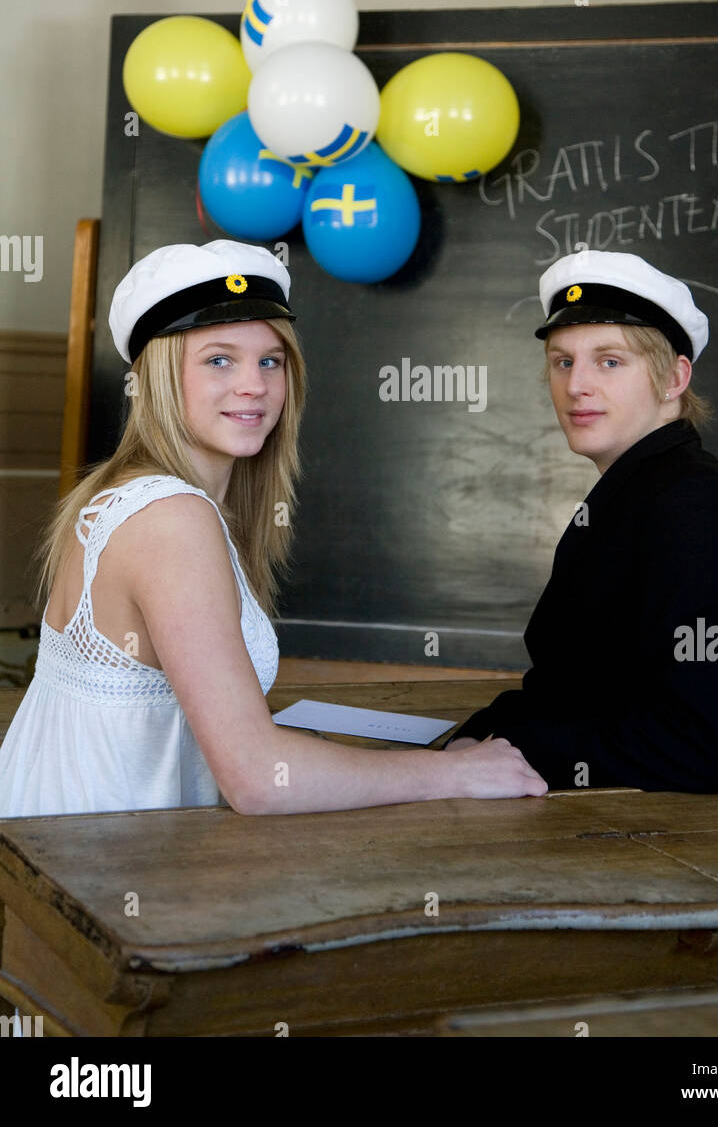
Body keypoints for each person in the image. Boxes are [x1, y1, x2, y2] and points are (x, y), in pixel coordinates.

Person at [0, 240, 547, 825]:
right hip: (89, 864)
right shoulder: (170, 517)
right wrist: (455, 773)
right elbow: (259, 781)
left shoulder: (138, 493)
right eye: (219, 359)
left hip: (91, 839)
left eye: (271, 360)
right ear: (158, 378)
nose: (254, 385)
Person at [444, 248, 718, 793]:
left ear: (674, 377)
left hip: (698, 851)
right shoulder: (629, 495)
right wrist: (478, 736)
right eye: (563, 361)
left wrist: (513, 751)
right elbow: (571, 691)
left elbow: (696, 748)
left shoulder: (705, 509)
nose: (576, 385)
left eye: (609, 361)